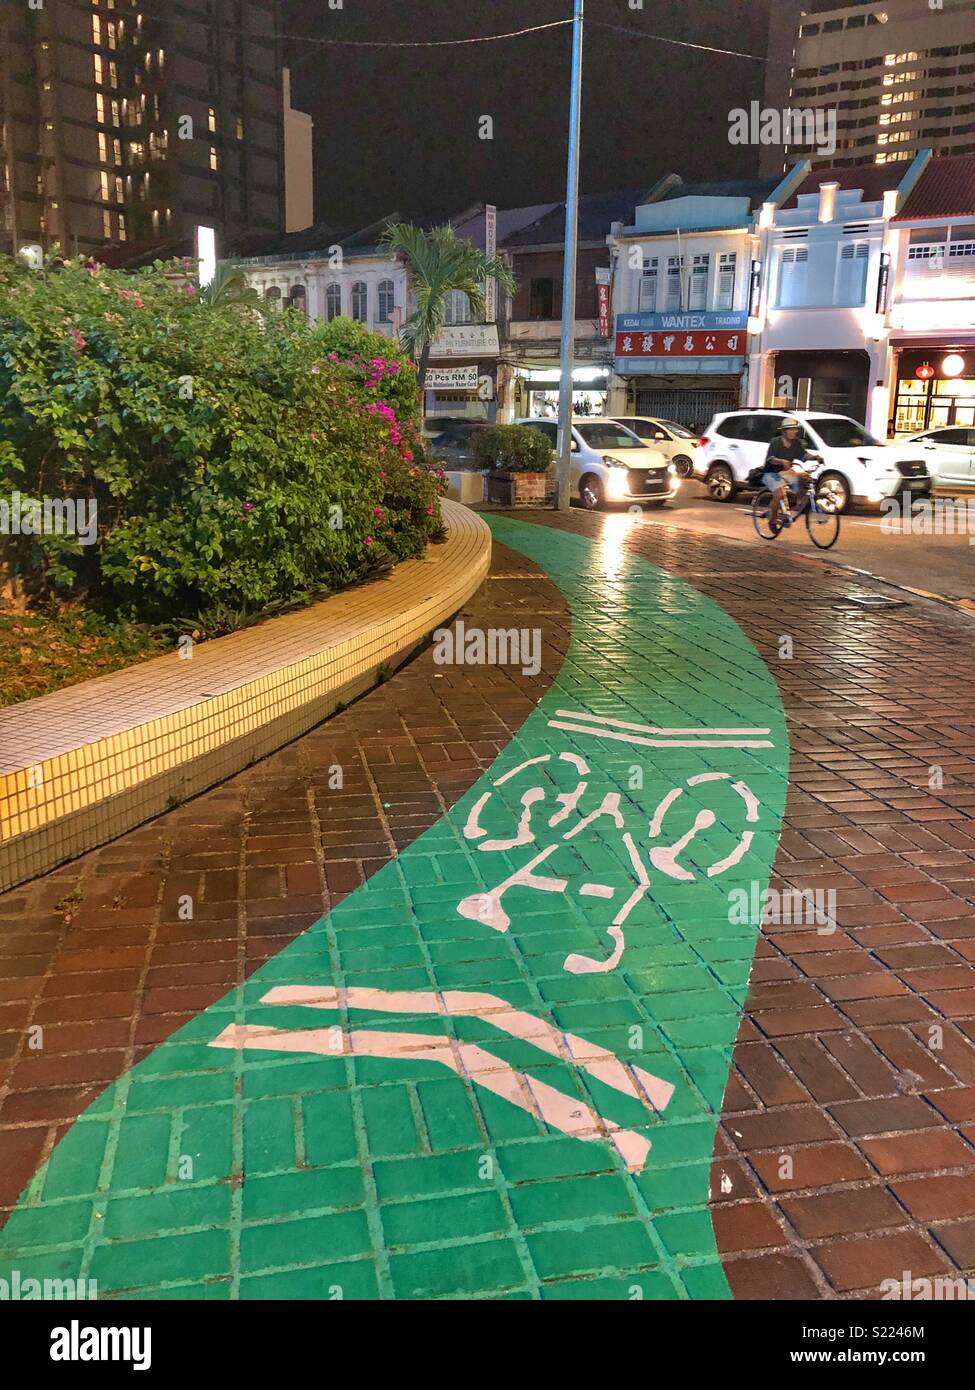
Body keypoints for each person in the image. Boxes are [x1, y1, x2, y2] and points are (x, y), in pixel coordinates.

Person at [763, 416, 820, 529]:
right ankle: (772, 521)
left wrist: (815, 457)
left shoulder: (797, 443)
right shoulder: (775, 442)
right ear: (784, 431)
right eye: (790, 429)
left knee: (804, 478)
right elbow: (770, 458)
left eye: (794, 429)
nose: (793, 432)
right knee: (778, 494)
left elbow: (803, 455)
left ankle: (798, 504)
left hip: (787, 472)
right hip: (771, 473)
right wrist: (781, 461)